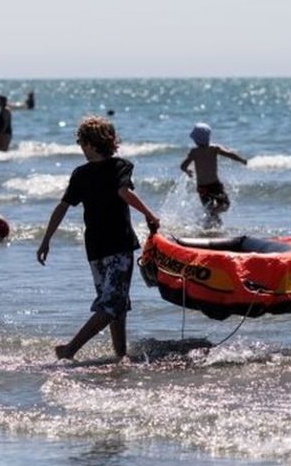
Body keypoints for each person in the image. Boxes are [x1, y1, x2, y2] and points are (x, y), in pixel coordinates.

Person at [36, 116, 160, 361]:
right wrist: (150, 214)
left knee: (116, 302)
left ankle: (120, 354)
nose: (81, 148)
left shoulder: (87, 172)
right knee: (113, 303)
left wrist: (46, 240)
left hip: (97, 247)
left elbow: (63, 206)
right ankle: (69, 349)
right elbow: (123, 192)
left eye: (83, 143)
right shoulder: (117, 167)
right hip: (115, 245)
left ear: (93, 144)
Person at [179, 123, 247, 226]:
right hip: (214, 185)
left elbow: (183, 166)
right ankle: (211, 227)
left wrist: (187, 171)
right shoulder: (214, 149)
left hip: (203, 187)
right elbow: (230, 154)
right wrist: (241, 160)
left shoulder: (195, 152)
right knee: (224, 205)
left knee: (210, 210)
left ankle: (207, 224)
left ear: (195, 139)